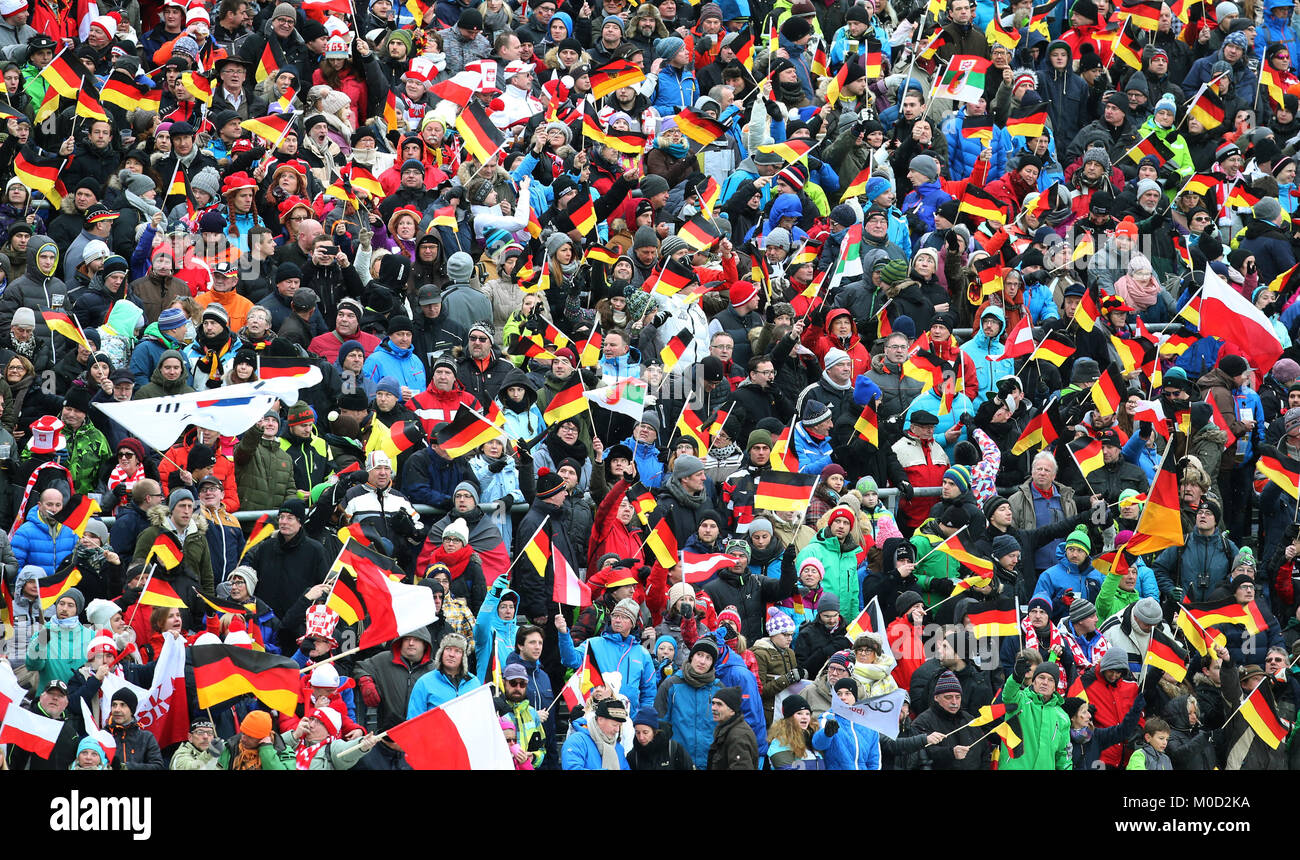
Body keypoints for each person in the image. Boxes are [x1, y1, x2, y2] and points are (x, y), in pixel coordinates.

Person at [653, 638, 723, 768]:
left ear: (713, 663)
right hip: (677, 761)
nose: (702, 661)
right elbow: (659, 726)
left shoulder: (719, 689)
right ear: (691, 657)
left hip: (710, 762)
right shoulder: (671, 685)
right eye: (699, 655)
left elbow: (725, 728)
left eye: (708, 658)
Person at [406, 631, 480, 715]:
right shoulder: (425, 682)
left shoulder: (474, 683)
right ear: (441, 653)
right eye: (448, 649)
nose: (452, 654)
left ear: (464, 657)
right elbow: (413, 720)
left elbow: (480, 716)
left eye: (457, 651)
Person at [562, 697, 631, 770]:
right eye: (614, 725)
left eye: (619, 726)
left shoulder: (618, 748)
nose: (617, 730)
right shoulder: (577, 741)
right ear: (600, 720)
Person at [706, 686, 758, 770]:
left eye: (719, 704)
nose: (713, 708)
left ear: (732, 711)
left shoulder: (738, 736)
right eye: (713, 703)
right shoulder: (726, 729)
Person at [627, 707, 693, 770]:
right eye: (638, 733)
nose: (641, 737)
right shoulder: (633, 756)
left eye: (645, 732)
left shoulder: (674, 749)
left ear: (654, 731)